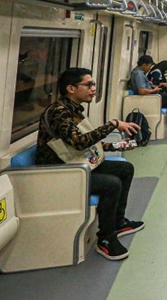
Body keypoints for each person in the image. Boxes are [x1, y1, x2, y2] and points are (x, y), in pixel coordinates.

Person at [37, 68, 144, 261]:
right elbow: (79, 143)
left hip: (75, 163)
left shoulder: (74, 110)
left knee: (125, 169)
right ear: (71, 88)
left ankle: (118, 222)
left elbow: (83, 143)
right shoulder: (58, 113)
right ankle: (105, 239)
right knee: (111, 184)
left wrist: (115, 145)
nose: (93, 89)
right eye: (88, 85)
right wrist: (112, 124)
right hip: (59, 171)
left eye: (94, 84)